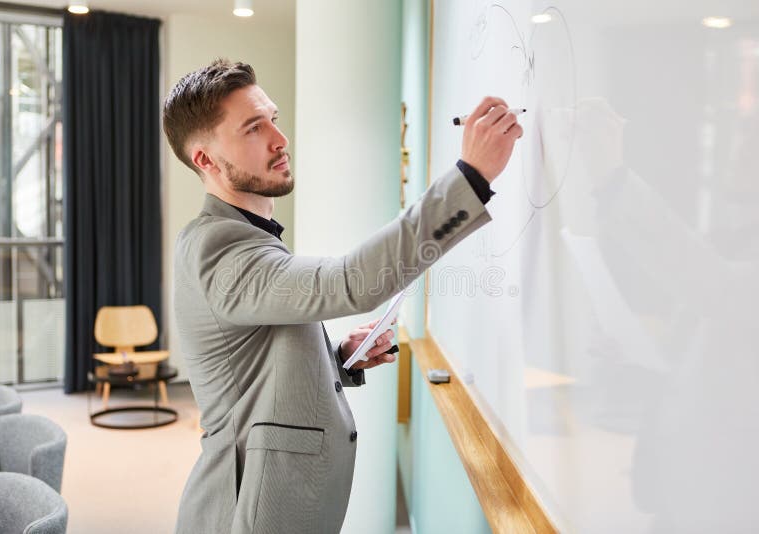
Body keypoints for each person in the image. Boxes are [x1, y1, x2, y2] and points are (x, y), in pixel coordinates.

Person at [163, 58, 522, 534]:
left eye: (273, 118)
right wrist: (471, 178)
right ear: (205, 159)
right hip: (246, 513)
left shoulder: (248, 235)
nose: (279, 138)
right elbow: (349, 283)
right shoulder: (216, 247)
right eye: (253, 128)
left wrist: (338, 358)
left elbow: (250, 372)